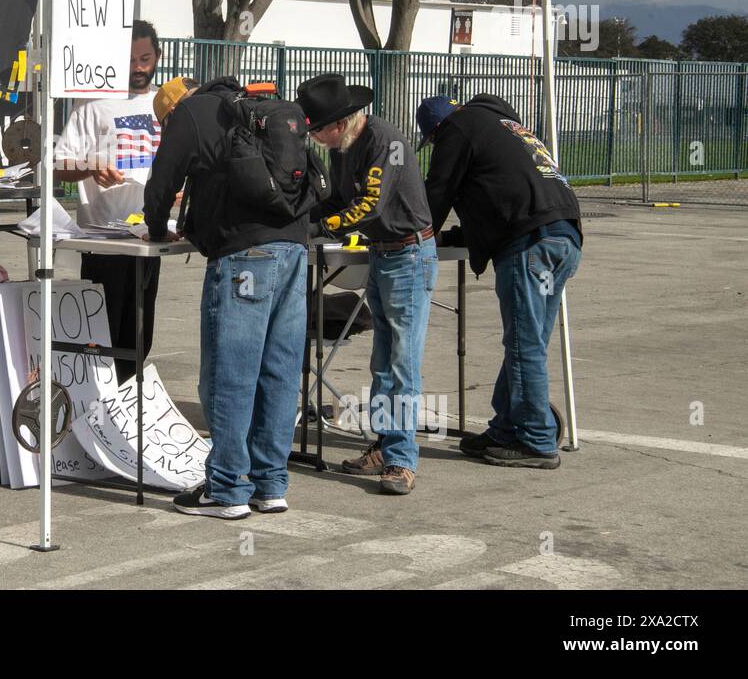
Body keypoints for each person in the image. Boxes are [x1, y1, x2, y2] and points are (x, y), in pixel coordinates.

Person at [144, 77, 316, 520]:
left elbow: (162, 182)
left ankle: (226, 488)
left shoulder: (188, 114)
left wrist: (157, 226)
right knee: (278, 371)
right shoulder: (260, 107)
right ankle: (270, 484)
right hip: (295, 249)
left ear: (170, 111)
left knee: (230, 373)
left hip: (245, 257)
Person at [417, 94, 583, 469]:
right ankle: (506, 428)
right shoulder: (505, 127)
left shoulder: (458, 129)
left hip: (530, 244)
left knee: (525, 344)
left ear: (437, 130)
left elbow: (437, 193)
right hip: (562, 236)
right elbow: (501, 190)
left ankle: (536, 440)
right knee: (529, 341)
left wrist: (416, 232)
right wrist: (464, 236)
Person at [300, 74, 434, 496]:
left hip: (408, 254)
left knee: (401, 363)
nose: (315, 138)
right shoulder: (343, 148)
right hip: (382, 252)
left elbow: (365, 205)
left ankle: (401, 460)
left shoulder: (383, 140)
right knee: (382, 361)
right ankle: (383, 444)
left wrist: (316, 227)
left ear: (337, 124)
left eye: (316, 129)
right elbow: (337, 200)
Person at [55, 20, 163, 374]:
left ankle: (128, 410)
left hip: (150, 236)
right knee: (102, 339)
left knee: (138, 339)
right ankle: (100, 415)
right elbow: (57, 164)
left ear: (157, 57)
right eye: (130, 59)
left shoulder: (164, 104)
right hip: (103, 240)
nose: (137, 68)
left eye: (144, 59)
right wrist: (89, 167)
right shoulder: (94, 103)